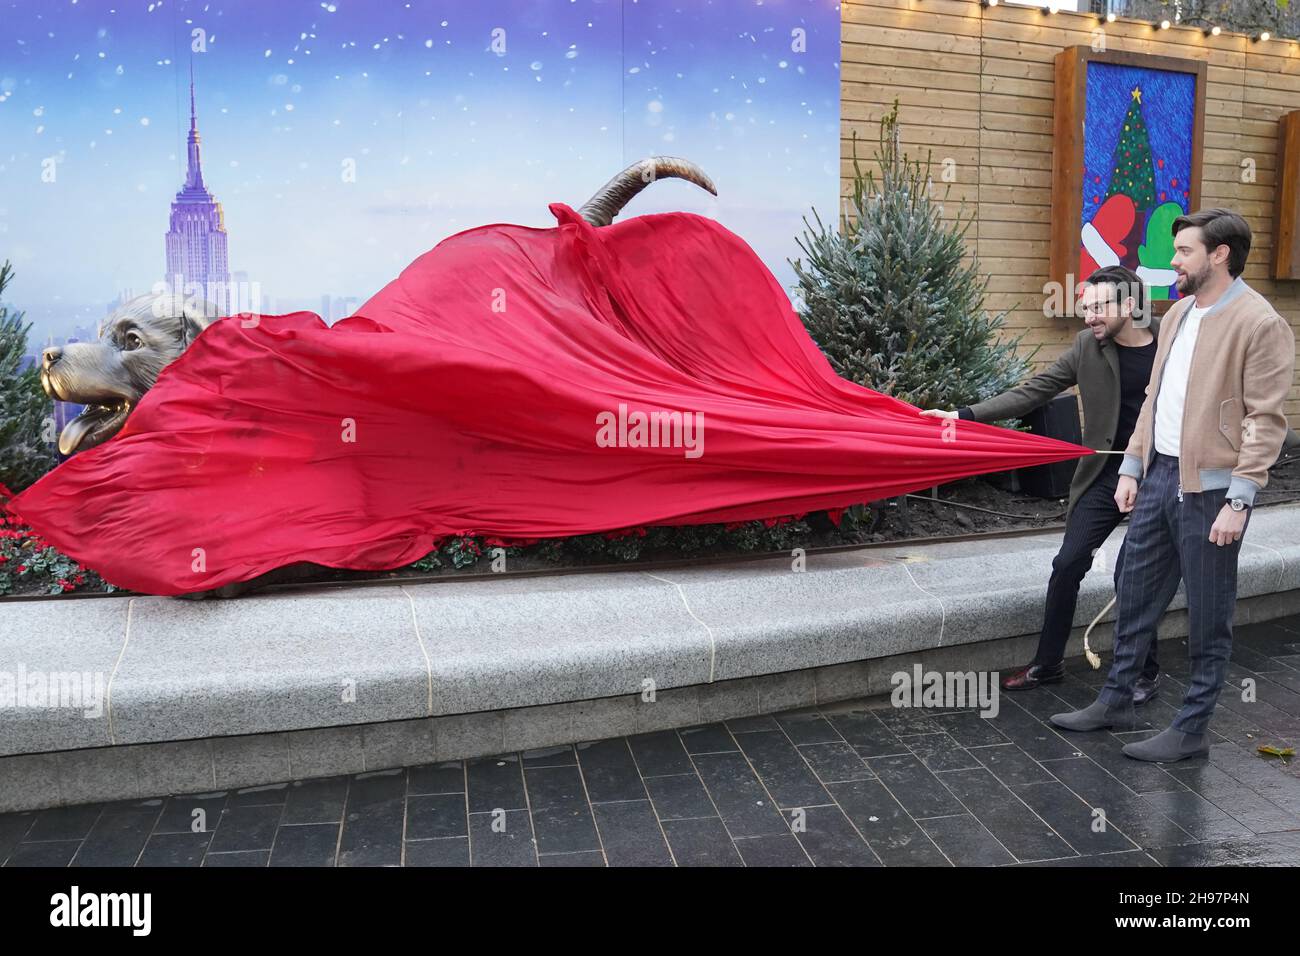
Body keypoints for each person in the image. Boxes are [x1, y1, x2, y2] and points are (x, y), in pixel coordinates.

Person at [1049, 208, 1296, 762]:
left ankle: (1192, 729)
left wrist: (1240, 498)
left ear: (1220, 254)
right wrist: (1133, 467)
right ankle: (1116, 700)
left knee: (1209, 611)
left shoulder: (1260, 324)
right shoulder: (1178, 313)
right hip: (1160, 477)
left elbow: (1266, 421)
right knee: (1134, 590)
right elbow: (1154, 401)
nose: (1173, 261)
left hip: (1213, 492)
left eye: (1184, 251)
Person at [921, 265, 1162, 700]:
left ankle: (1145, 672)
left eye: (1097, 308)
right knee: (1068, 564)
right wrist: (963, 416)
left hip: (1159, 474)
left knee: (1135, 573)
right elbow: (1035, 390)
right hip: (1104, 475)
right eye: (1084, 308)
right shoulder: (1088, 346)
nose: (1088, 317)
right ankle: (1047, 664)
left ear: (1129, 305)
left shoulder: (1172, 340)